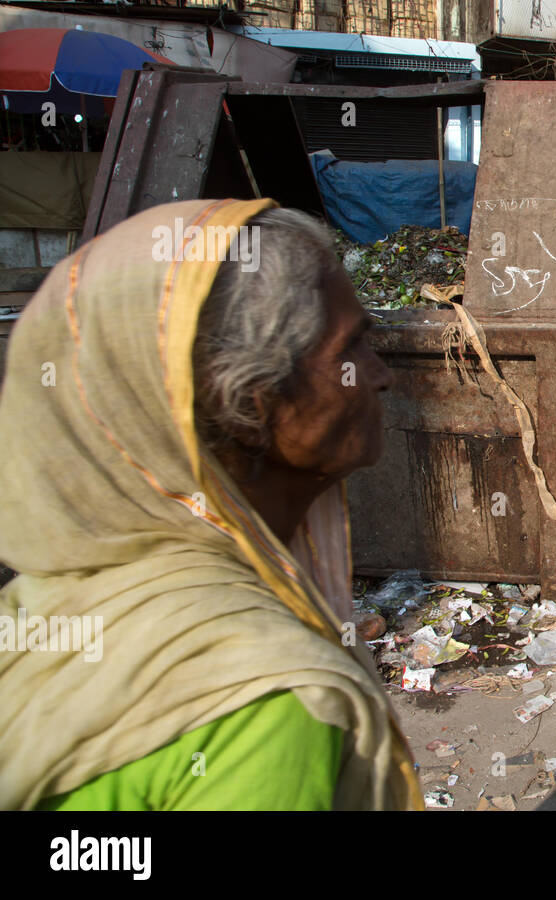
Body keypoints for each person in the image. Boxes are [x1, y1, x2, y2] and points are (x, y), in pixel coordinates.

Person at [0, 198, 422, 810]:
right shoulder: (265, 701)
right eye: (353, 349)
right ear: (255, 405)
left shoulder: (51, 604)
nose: (379, 375)